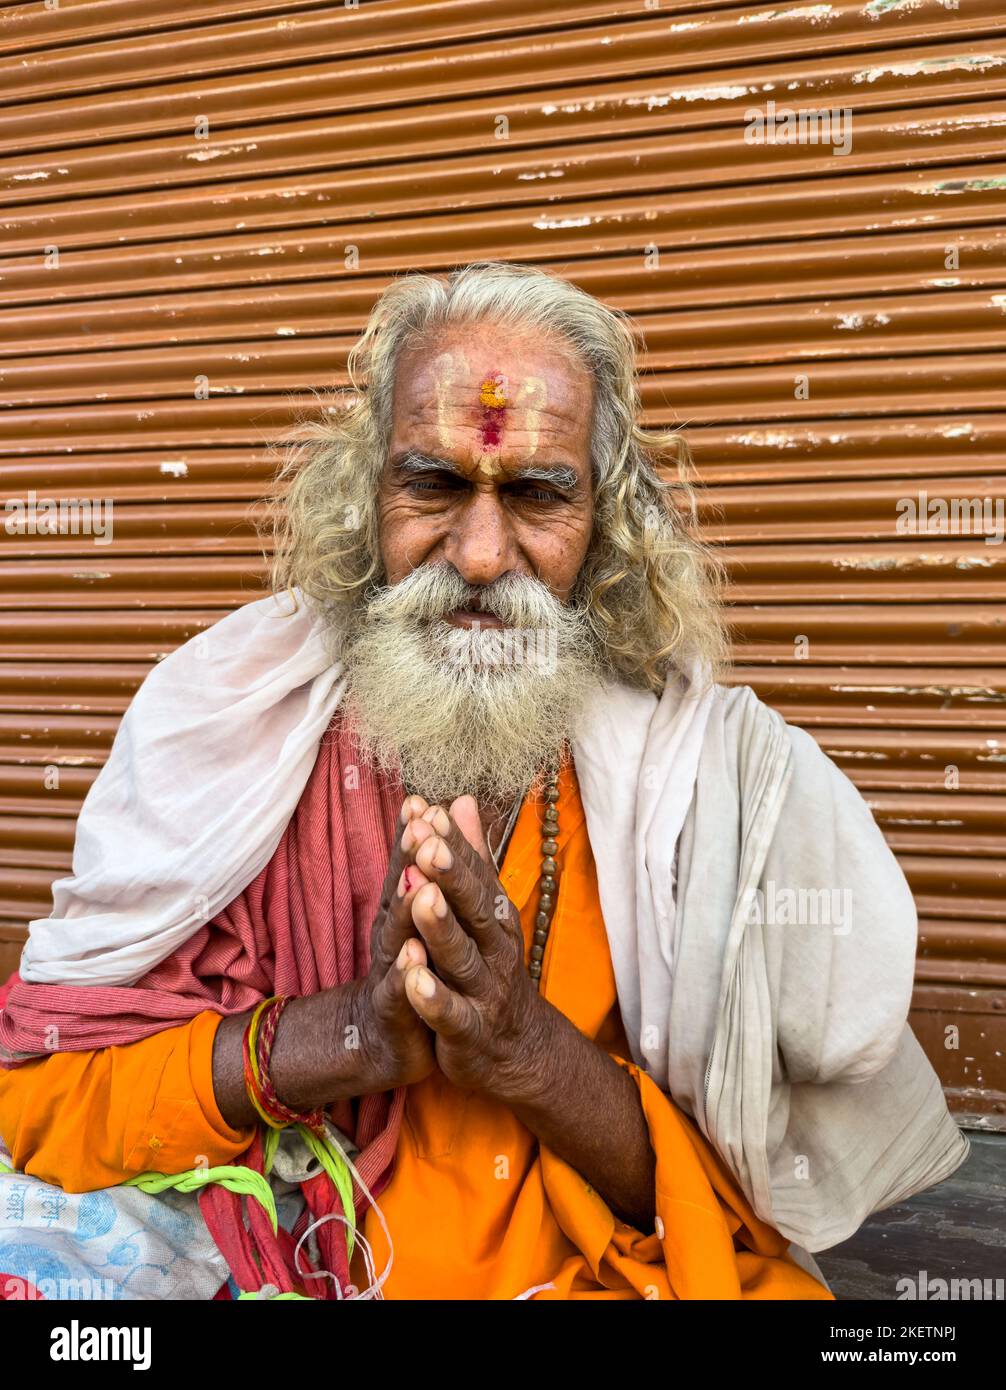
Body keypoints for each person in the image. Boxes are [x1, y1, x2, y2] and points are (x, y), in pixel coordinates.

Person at [0, 262, 965, 1301]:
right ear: (365, 493)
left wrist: (523, 1050)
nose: (476, 552)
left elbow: (753, 1195)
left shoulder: (700, 783)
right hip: (282, 1262)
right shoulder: (228, 714)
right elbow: (46, 1096)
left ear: (603, 524)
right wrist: (346, 1035)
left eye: (536, 493)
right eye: (434, 483)